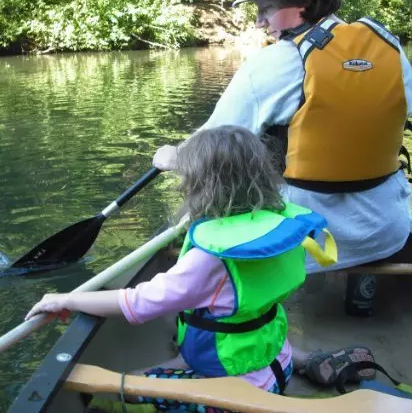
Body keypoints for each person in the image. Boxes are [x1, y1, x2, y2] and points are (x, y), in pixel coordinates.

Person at [26, 126, 374, 412]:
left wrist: (66, 299)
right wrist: (173, 158)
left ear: (197, 186)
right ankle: (303, 361)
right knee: (216, 333)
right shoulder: (277, 222)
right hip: (274, 365)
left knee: (123, 389)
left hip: (238, 397)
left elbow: (138, 302)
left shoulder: (209, 258)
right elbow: (221, 165)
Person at [153, 0, 412, 274]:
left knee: (226, 165)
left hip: (304, 243)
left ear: (304, 0)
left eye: (266, 8)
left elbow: (209, 146)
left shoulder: (274, 63)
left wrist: (174, 155)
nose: (258, 22)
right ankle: (363, 285)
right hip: (386, 234)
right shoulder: (389, 48)